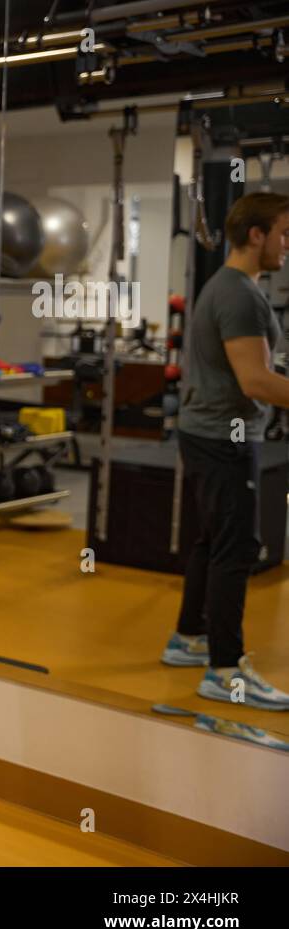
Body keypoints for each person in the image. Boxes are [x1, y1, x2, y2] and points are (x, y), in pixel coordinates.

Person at [161, 191, 289, 711]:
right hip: (225, 437)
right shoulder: (238, 294)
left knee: (212, 540)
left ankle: (189, 637)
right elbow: (256, 381)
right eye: (284, 233)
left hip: (210, 432)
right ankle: (225, 670)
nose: (288, 244)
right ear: (256, 235)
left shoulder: (231, 288)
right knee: (236, 547)